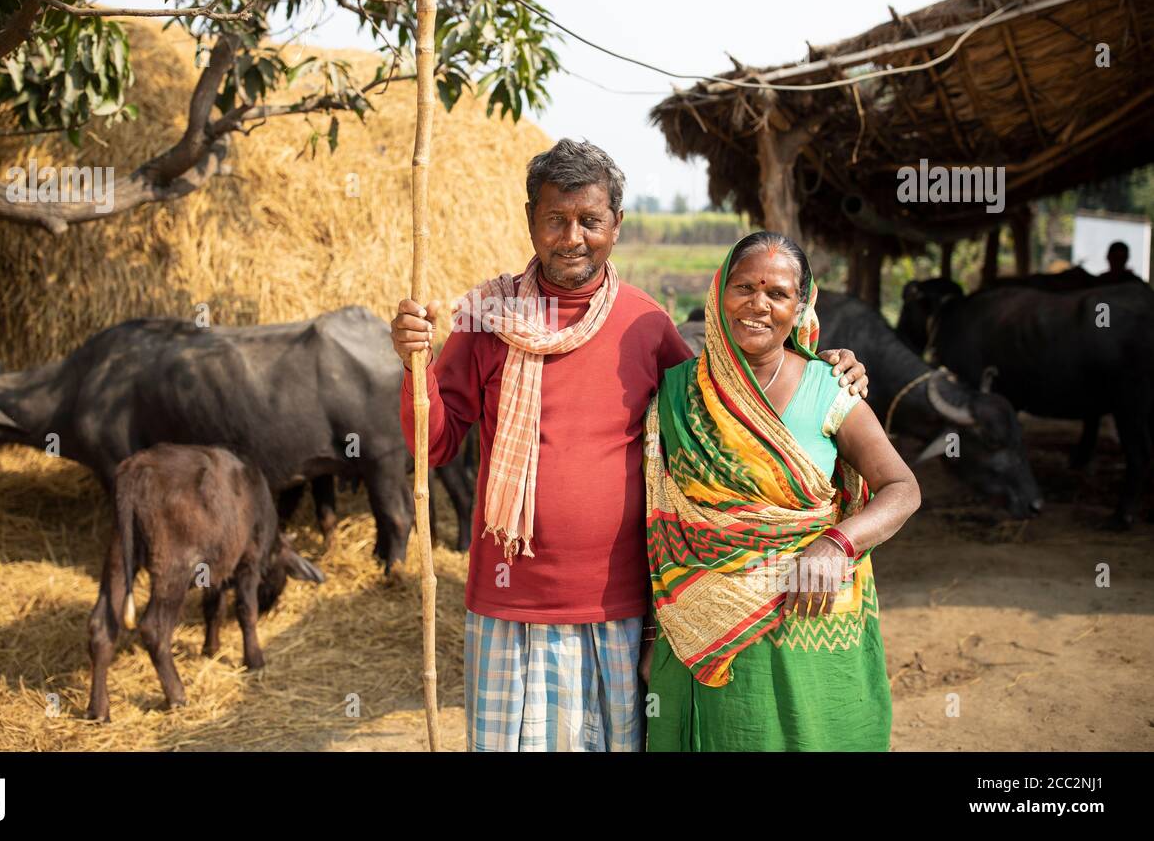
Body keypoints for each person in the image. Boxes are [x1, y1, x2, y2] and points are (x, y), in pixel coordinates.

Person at [389, 140, 871, 752]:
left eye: (590, 220)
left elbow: (718, 410)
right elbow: (432, 447)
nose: (572, 237)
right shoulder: (486, 317)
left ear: (616, 224)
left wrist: (824, 369)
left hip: (619, 606)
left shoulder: (645, 323)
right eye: (555, 219)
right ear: (530, 219)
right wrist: (416, 368)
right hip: (510, 598)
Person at [642, 231, 921, 751]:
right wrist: (652, 634)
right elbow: (660, 523)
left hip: (810, 622)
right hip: (698, 633)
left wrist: (836, 543)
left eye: (778, 293)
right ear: (718, 291)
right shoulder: (678, 393)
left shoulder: (829, 388)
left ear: (802, 305)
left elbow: (902, 487)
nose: (758, 305)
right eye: (743, 287)